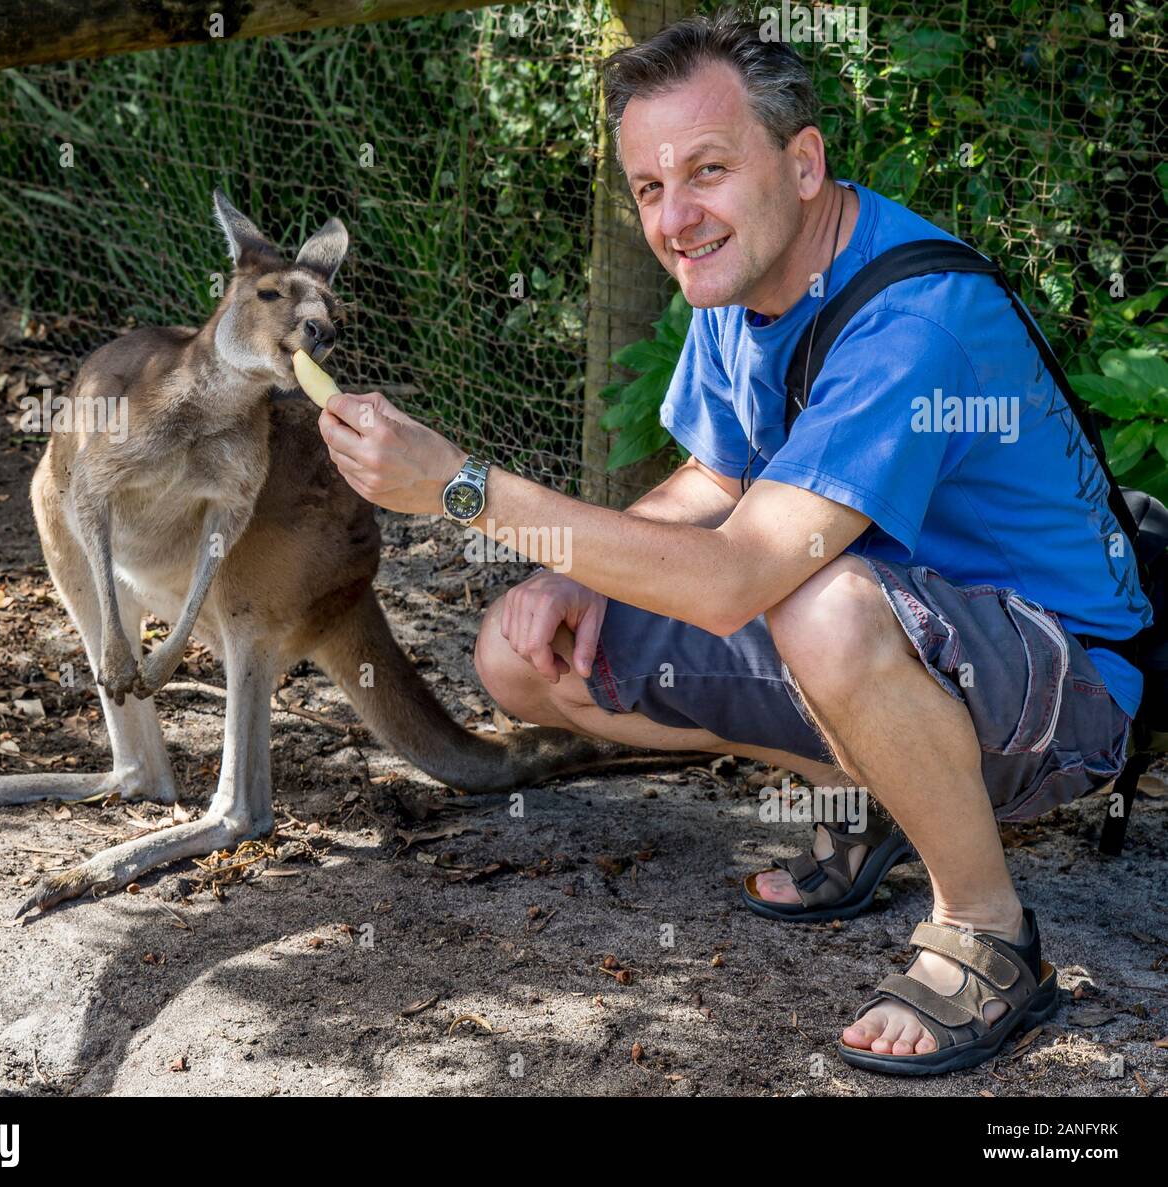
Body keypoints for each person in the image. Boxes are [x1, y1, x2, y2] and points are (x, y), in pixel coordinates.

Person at [316, 11, 1146, 1075]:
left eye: (706, 170)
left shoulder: (913, 319)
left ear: (803, 164)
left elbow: (737, 577)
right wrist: (567, 570)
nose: (676, 217)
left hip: (1069, 693)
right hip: (900, 632)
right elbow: (714, 480)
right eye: (650, 188)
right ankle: (885, 793)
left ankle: (987, 935)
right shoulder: (735, 272)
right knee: (524, 656)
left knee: (818, 604)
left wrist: (464, 489)